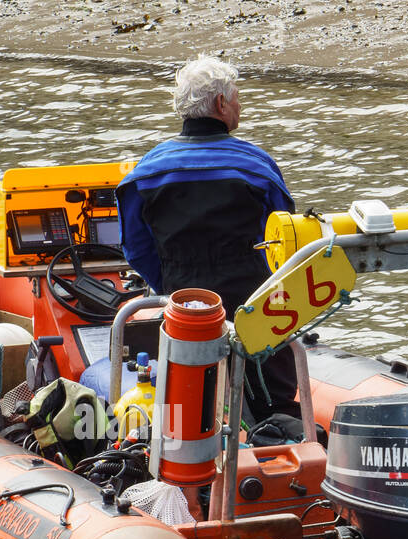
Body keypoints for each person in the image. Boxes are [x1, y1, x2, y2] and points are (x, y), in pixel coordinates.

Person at [116, 55, 299, 423]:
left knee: (192, 401)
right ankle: (280, 447)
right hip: (256, 305)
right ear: (220, 104)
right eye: (237, 98)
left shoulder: (144, 174)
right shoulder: (256, 167)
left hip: (186, 306)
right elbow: (284, 244)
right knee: (275, 407)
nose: (240, 105)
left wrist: (173, 284)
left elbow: (136, 248)